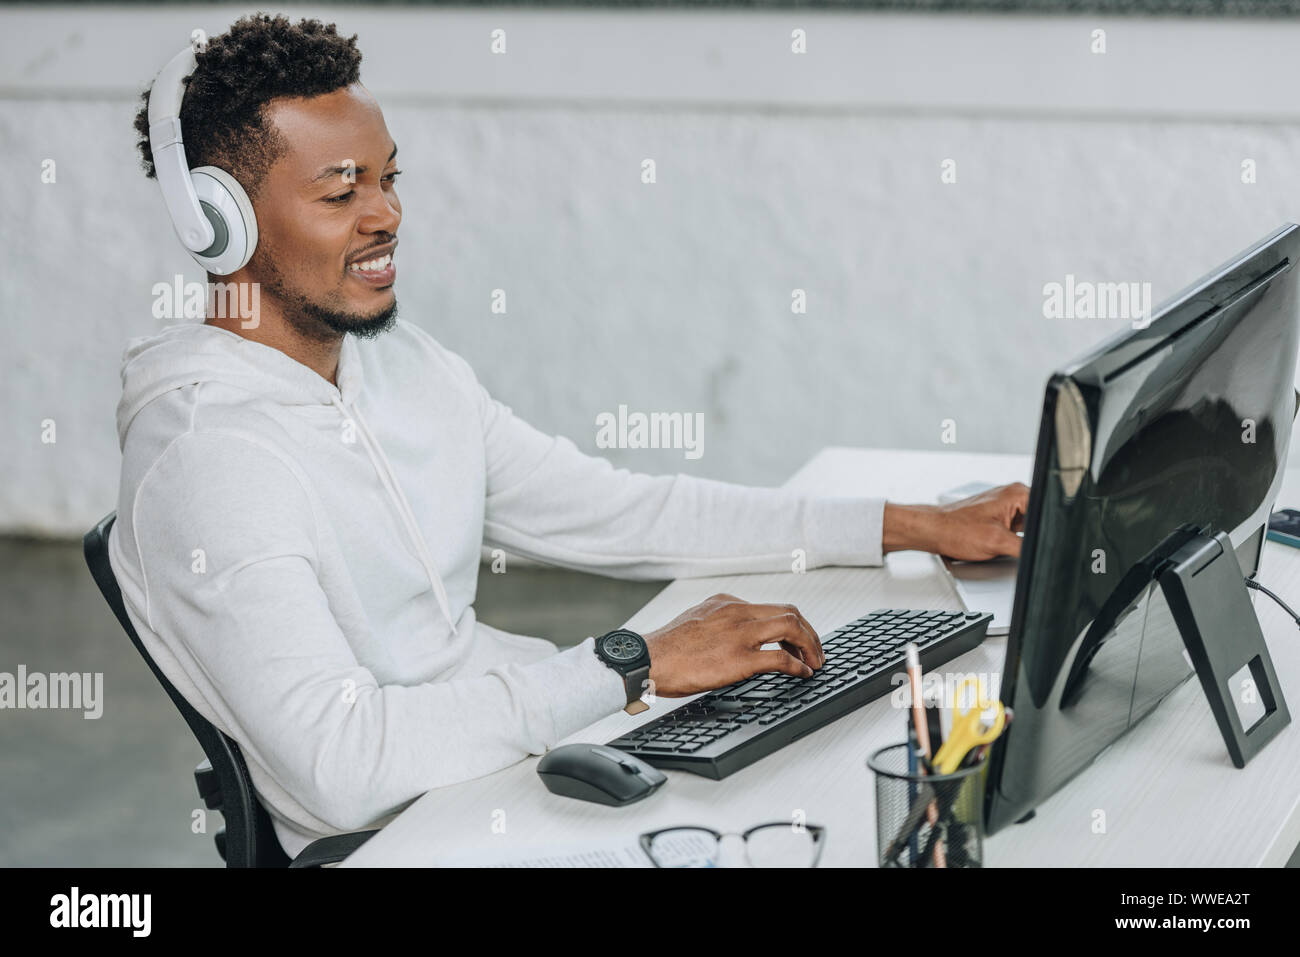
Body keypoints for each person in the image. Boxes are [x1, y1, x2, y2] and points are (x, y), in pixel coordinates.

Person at [113, 14, 1028, 858]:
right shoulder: (208, 461)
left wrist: (911, 524)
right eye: (340, 191)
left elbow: (619, 511)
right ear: (219, 224)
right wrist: (631, 663)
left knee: (840, 782)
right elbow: (343, 766)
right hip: (404, 834)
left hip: (515, 765)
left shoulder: (399, 365)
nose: (385, 214)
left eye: (388, 178)